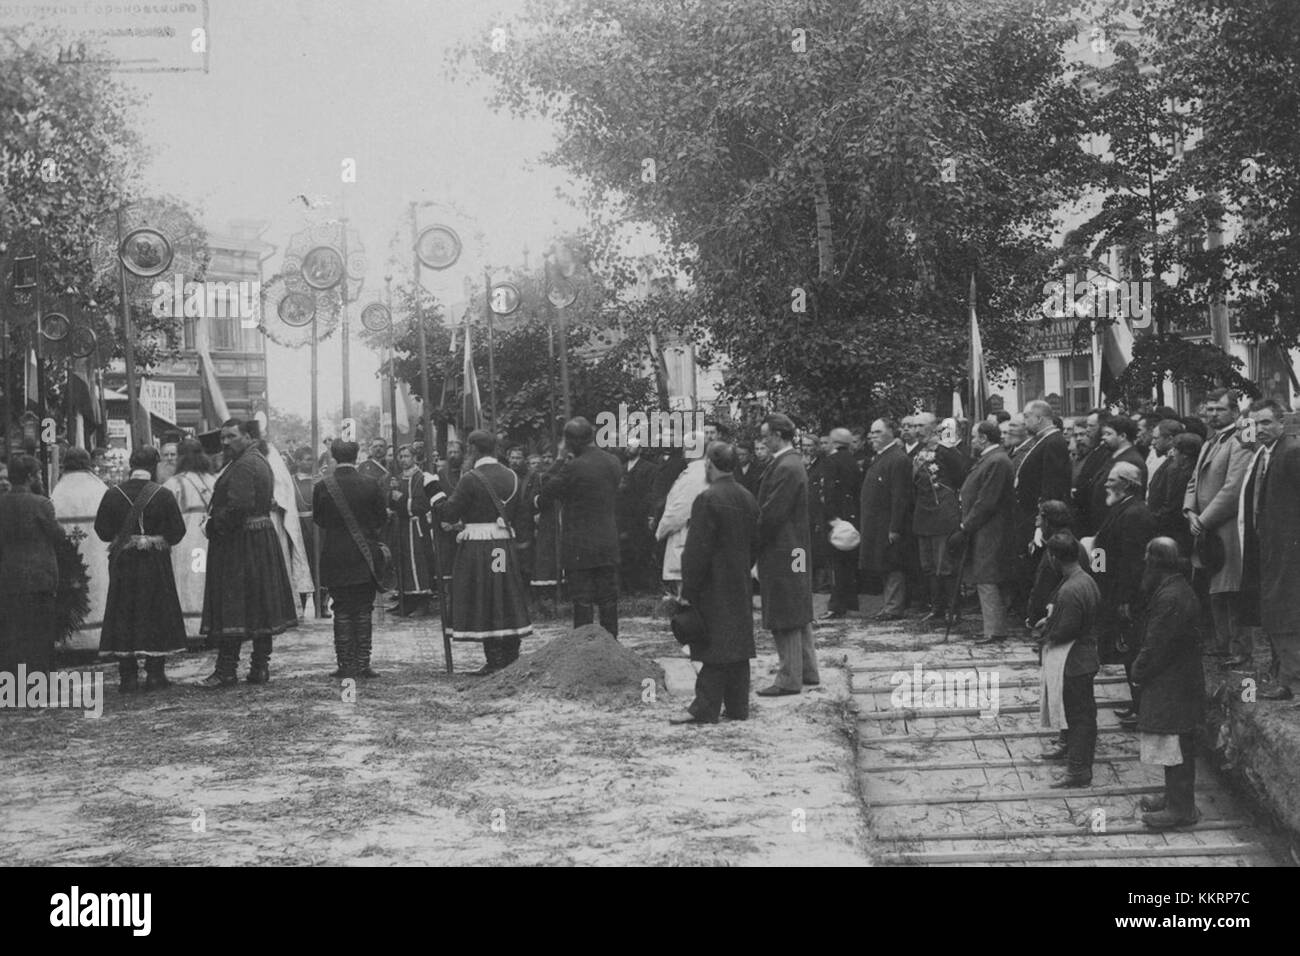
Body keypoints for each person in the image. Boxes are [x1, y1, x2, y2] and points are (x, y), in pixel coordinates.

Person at [199, 418, 300, 687]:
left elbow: (237, 508)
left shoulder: (244, 465)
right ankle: (259, 668)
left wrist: (212, 524)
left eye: (231, 436)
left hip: (240, 542)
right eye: (223, 437)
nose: (225, 442)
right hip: (260, 539)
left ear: (246, 436)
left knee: (233, 604)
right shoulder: (258, 460)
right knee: (260, 605)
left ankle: (226, 670)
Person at [427, 429, 534, 673]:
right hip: (503, 544)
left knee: (485, 595)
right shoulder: (513, 477)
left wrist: (433, 490)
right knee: (503, 593)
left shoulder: (470, 478)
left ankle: (495, 659)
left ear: (473, 450)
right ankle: (510, 654)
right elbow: (521, 513)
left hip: (478, 546)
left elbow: (449, 513)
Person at [671, 441, 760, 724]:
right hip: (740, 580)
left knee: (714, 644)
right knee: (737, 643)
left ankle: (704, 708)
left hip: (712, 584)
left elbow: (696, 550)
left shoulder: (707, 499)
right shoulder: (748, 497)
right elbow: (757, 542)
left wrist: (688, 590)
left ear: (710, 464)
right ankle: (737, 707)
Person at [94, 446, 187, 692]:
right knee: (156, 612)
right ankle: (156, 674)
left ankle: (128, 677)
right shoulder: (164, 494)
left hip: (124, 562)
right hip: (155, 563)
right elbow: (177, 532)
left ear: (131, 466)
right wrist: (155, 538)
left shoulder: (113, 494)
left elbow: (102, 531)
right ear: (154, 466)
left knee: (124, 612)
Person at [1132, 537, 1204, 828]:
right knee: (1173, 741)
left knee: (1176, 741)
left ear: (1153, 563)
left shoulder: (1170, 597)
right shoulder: (1176, 589)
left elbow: (1157, 644)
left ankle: (1181, 809)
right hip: (1178, 678)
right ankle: (1174, 798)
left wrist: (1138, 671)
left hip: (1174, 682)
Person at [1182, 388, 1251, 661]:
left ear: (1234, 411)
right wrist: (1189, 511)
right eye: (1209, 409)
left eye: (1219, 409)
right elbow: (1193, 482)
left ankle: (1240, 650)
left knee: (1231, 590)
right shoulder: (1210, 442)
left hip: (1228, 528)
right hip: (1205, 527)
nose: (1212, 414)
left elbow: (1233, 489)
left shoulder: (1242, 440)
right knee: (1215, 588)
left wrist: (1204, 519)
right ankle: (1223, 645)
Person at [539, 417, 623, 638]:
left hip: (579, 544)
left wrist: (559, 460)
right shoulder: (613, 461)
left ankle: (584, 648)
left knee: (582, 601)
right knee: (608, 600)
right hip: (607, 541)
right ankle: (611, 646)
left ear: (569, 442)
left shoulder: (573, 467)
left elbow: (546, 488)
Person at [313, 439, 388, 678]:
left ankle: (345, 665)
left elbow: (319, 520)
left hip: (335, 553)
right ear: (357, 457)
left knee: (342, 609)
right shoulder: (371, 484)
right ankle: (363, 664)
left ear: (334, 457)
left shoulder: (323, 487)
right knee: (364, 609)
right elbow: (380, 519)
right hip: (364, 554)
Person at [1241, 400, 1300, 700]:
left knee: (1289, 617)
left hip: (1291, 552)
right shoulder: (1267, 454)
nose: (1259, 429)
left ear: (1281, 422)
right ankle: (1287, 681)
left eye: (1265, 422)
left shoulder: (1292, 452)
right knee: (1277, 616)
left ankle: (1294, 684)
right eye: (1254, 423)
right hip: (1271, 548)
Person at [755, 413, 817, 695]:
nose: (763, 440)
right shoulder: (792, 463)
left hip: (783, 548)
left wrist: (752, 542)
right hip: (796, 549)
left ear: (778, 435)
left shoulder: (785, 466)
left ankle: (789, 678)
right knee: (798, 603)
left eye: (765, 435)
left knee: (785, 607)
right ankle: (807, 669)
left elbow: (771, 514)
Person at [1093, 462, 1157, 726]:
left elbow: (1132, 563)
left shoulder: (1135, 514)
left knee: (1132, 650)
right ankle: (1136, 705)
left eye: (1111, 480)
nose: (1106, 485)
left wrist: (1125, 600)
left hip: (1126, 595)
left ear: (1127, 484)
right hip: (1111, 588)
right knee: (1126, 650)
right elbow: (1103, 547)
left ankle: (1142, 709)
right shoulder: (1120, 508)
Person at [1036, 531, 1101, 789]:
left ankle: (1078, 771)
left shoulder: (1070, 589)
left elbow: (1068, 630)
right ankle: (1072, 756)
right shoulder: (1085, 580)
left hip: (1074, 661)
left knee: (1079, 717)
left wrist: (1045, 634)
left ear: (1053, 557)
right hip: (1084, 657)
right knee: (1078, 714)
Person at [0, 455, 67, 675]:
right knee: (40, 635)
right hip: (39, 580)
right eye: (38, 474)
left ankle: (12, 685)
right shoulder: (41, 503)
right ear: (30, 477)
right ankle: (40, 682)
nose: (40, 478)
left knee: (11, 635)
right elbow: (58, 536)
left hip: (7, 579)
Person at [951, 421, 1016, 645]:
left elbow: (987, 501)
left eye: (973, 436)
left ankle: (995, 630)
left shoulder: (997, 460)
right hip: (985, 528)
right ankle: (992, 628)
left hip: (991, 529)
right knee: (983, 576)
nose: (971, 441)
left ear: (984, 438)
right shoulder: (991, 459)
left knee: (987, 576)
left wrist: (965, 526)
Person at [51, 447, 110, 653]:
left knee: (70, 592)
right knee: (99, 588)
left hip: (67, 560)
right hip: (98, 555)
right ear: (88, 464)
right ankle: (99, 636)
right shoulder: (100, 489)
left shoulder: (57, 492)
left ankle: (70, 639)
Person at [912, 419, 967, 626]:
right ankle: (936, 608)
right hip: (923, 515)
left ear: (934, 428)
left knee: (944, 565)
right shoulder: (918, 452)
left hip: (943, 515)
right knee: (928, 565)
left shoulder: (947, 450)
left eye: (920, 426)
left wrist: (943, 447)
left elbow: (961, 475)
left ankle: (952, 609)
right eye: (915, 427)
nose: (917, 430)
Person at [162, 438, 217, 642]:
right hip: (211, 541)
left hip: (187, 544)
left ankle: (190, 628)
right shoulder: (214, 480)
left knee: (189, 584)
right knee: (207, 581)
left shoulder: (175, 483)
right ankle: (211, 626)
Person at [858, 417, 911, 621]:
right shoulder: (879, 457)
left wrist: (895, 527)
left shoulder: (897, 459)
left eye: (878, 432)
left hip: (888, 523)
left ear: (891, 432)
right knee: (882, 563)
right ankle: (889, 605)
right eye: (872, 432)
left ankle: (894, 607)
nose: (873, 436)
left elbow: (900, 496)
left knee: (892, 563)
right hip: (876, 523)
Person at [655, 437, 708, 599]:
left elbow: (679, 511)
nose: (683, 451)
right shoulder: (699, 471)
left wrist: (660, 531)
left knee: (687, 595)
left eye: (686, 448)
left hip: (685, 538)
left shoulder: (694, 475)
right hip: (692, 537)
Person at [388, 444, 435, 617]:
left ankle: (422, 602)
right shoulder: (399, 477)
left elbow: (422, 505)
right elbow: (392, 504)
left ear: (414, 458)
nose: (403, 460)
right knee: (403, 562)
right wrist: (392, 491)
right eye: (400, 457)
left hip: (416, 527)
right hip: (401, 527)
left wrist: (401, 500)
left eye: (407, 456)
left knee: (418, 563)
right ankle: (406, 600)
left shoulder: (421, 478)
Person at [821, 427, 864, 619]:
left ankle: (836, 605)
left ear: (834, 442)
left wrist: (830, 517)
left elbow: (828, 492)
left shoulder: (831, 462)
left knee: (836, 566)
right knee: (848, 564)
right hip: (853, 517)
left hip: (837, 519)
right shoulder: (853, 462)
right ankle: (848, 601)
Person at [616, 439, 659, 593]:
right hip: (623, 517)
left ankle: (641, 587)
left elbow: (652, 494)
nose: (628, 448)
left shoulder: (650, 468)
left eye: (632, 445)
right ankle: (626, 587)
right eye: (626, 445)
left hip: (640, 516)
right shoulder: (621, 469)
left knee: (640, 551)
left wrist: (649, 514)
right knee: (624, 550)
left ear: (640, 448)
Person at [1145, 420, 1190, 554]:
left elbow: (1172, 504)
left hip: (1169, 534)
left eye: (1156, 438)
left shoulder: (1176, 465)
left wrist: (1151, 519)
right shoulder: (1170, 461)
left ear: (1170, 439)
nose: (1152, 443)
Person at [289, 446, 323, 616]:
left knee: (319, 564)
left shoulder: (320, 480)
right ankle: (300, 605)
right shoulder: (290, 481)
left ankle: (321, 605)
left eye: (312, 459)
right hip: (297, 526)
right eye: (307, 459)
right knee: (300, 564)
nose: (310, 463)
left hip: (316, 526)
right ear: (297, 461)